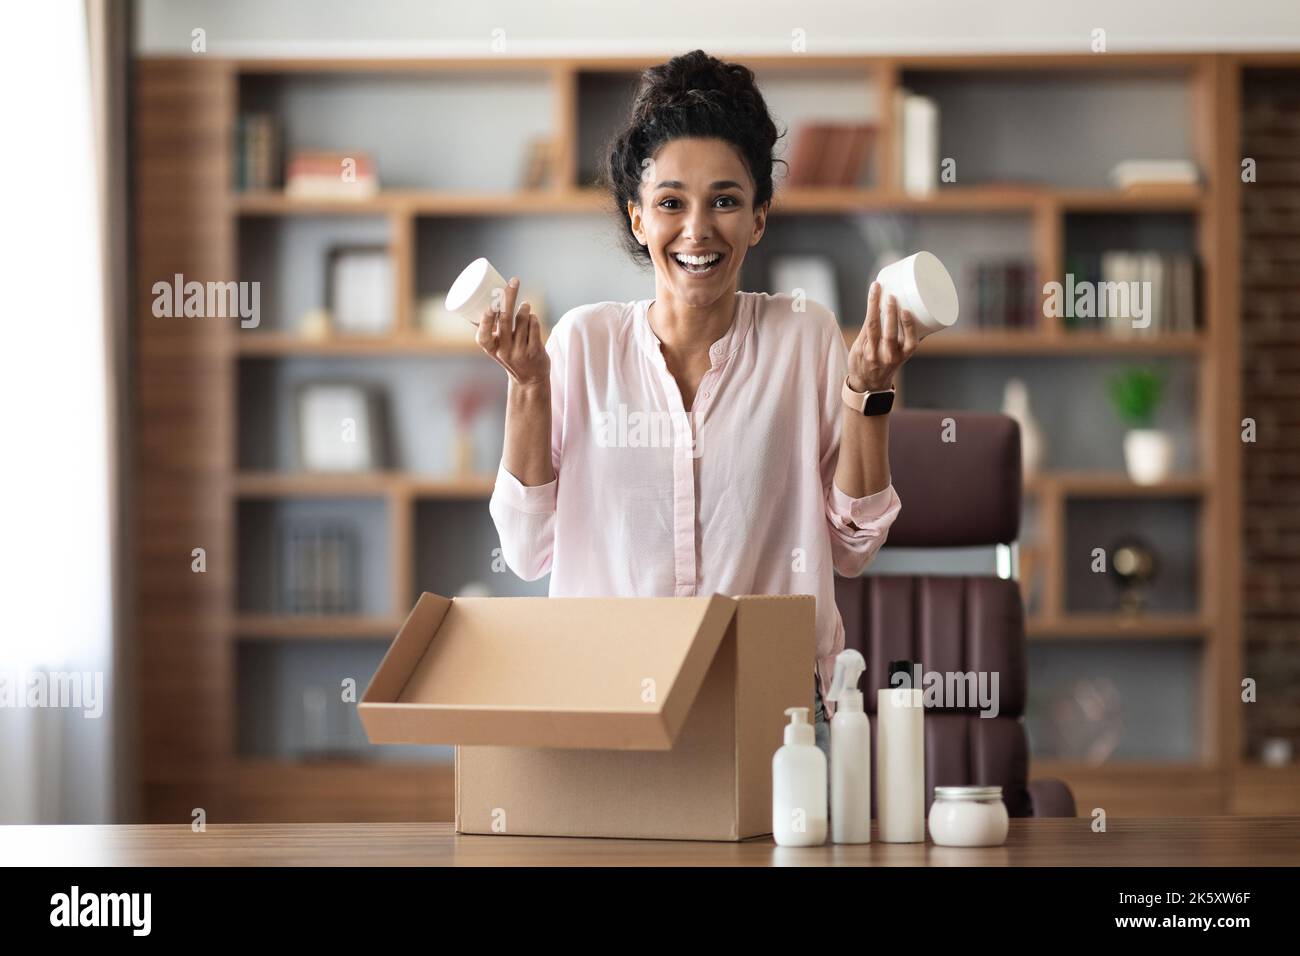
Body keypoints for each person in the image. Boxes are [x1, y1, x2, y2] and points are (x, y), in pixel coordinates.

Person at [478, 49, 915, 767]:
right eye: (671, 202)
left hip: (775, 719)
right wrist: (527, 389)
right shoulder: (582, 344)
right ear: (637, 217)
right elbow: (526, 554)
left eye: (726, 200)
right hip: (609, 709)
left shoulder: (803, 337)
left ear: (759, 218)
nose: (698, 230)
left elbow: (853, 546)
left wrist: (868, 393)